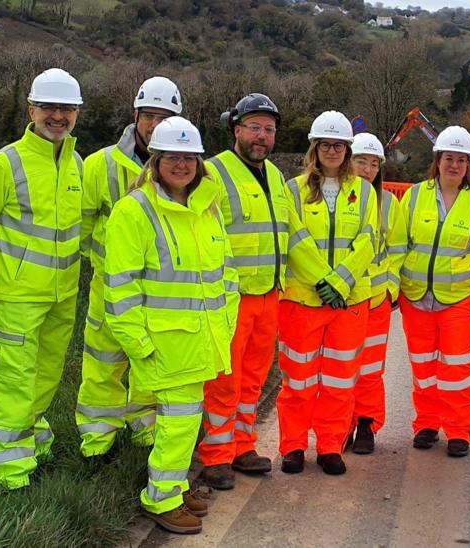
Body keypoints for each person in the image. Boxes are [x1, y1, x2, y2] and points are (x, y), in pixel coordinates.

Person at [103, 116, 239, 534]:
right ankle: (160, 499)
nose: (181, 165)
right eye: (172, 157)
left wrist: (226, 326)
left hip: (201, 340)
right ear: (155, 160)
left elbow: (225, 275)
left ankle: (175, 487)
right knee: (179, 421)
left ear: (199, 162)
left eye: (189, 157)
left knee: (183, 420)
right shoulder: (134, 210)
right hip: (162, 344)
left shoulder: (206, 207)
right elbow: (120, 286)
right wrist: (140, 343)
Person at [0, 68, 84, 489]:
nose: (58, 116)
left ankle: (33, 443)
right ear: (31, 109)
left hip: (64, 293)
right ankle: (11, 472)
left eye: (66, 109)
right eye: (49, 107)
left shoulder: (78, 164)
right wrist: (1, 267)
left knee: (47, 375)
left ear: (76, 114)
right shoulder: (4, 163)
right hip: (19, 295)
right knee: (16, 378)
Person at [75, 76, 183, 458]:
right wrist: (103, 265)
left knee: (149, 365)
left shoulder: (180, 166)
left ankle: (144, 437)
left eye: (164, 117)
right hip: (110, 286)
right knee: (103, 364)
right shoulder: (99, 164)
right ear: (135, 116)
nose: (155, 124)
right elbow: (83, 226)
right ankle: (97, 444)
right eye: (149, 115)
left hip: (159, 289)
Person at [277, 110, 378, 476]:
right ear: (314, 148)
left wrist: (341, 283)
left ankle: (331, 446)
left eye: (339, 145)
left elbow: (369, 239)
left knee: (339, 381)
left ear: (347, 149)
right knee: (298, 380)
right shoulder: (293, 189)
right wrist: (325, 281)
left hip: (349, 302)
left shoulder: (364, 191)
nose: (332, 151)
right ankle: (293, 447)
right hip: (302, 299)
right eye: (326, 144)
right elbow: (296, 239)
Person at [398, 126, 470, 458]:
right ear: (438, 160)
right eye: (449, 158)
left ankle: (459, 430)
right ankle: (427, 424)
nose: (454, 165)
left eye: (461, 160)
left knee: (457, 370)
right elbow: (398, 246)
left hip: (459, 300)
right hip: (415, 298)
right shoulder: (415, 196)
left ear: (469, 166)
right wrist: (390, 286)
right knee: (423, 366)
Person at [198, 93, 288, 489]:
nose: (262, 136)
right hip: (231, 298)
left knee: (254, 378)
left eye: (269, 130)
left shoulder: (276, 177)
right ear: (236, 129)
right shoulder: (213, 173)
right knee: (224, 379)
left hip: (269, 295)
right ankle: (216, 455)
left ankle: (242, 445)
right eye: (254, 127)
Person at [344, 133, 406, 454]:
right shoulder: (339, 199)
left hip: (376, 300)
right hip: (344, 300)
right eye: (360, 161)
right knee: (340, 367)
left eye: (373, 163)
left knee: (369, 368)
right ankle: (340, 427)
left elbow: (396, 251)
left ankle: (366, 424)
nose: (367, 169)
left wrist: (390, 289)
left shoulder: (389, 204)